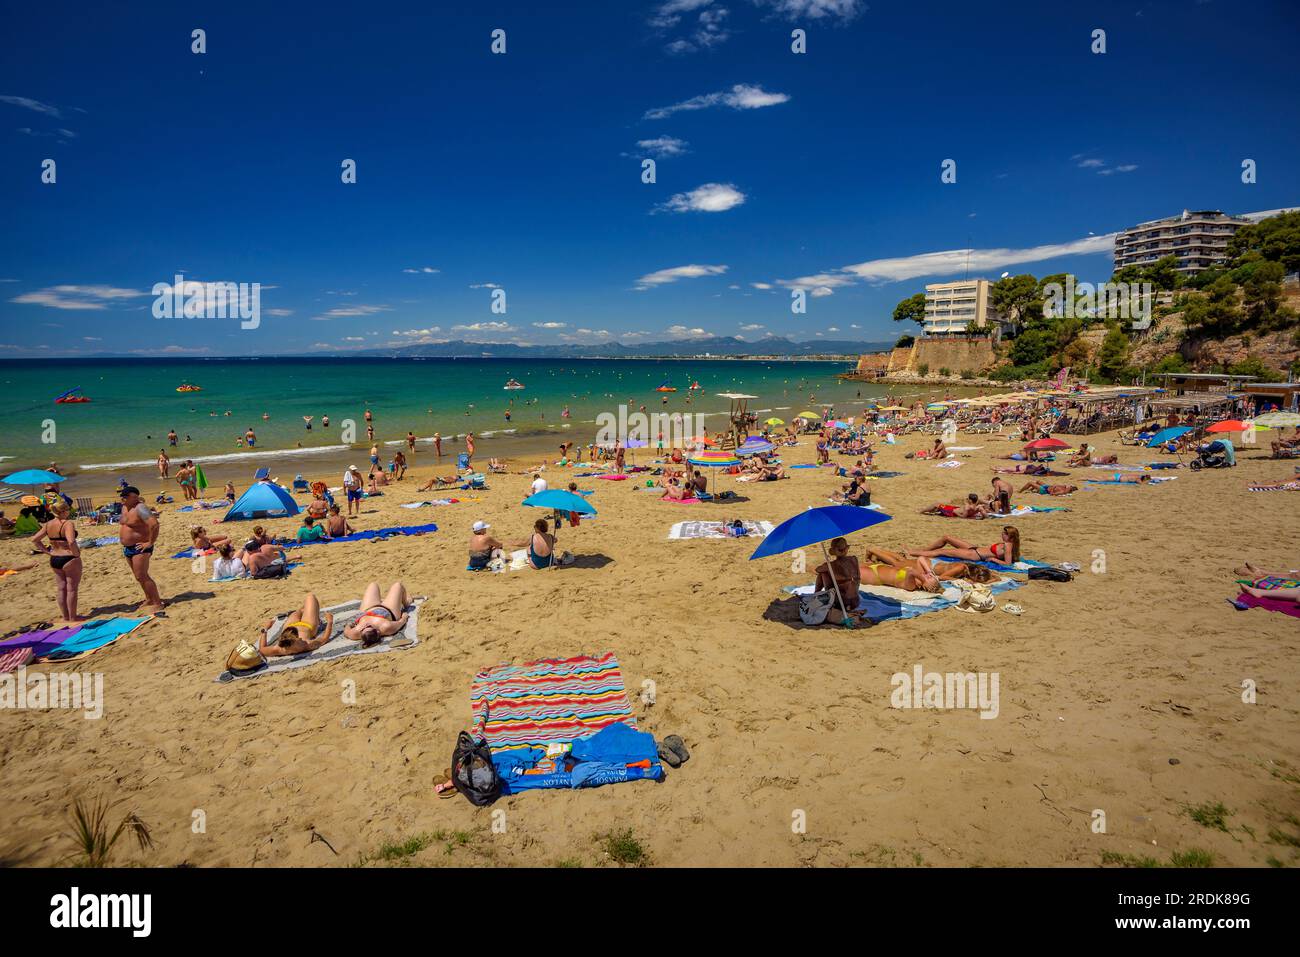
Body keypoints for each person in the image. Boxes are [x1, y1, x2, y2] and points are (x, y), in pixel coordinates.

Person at [32, 500, 83, 622]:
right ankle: (73, 617)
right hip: (68, 558)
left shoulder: (49, 524)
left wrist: (46, 551)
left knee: (61, 588)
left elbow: (35, 539)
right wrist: (76, 554)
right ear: (64, 511)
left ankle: (65, 617)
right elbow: (71, 541)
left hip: (54, 558)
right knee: (72, 589)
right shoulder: (68, 523)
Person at [118, 486, 164, 611]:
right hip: (128, 548)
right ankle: (149, 599)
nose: (136, 499)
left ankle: (157, 602)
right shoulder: (124, 508)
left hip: (140, 547)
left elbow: (154, 524)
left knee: (142, 575)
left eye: (136, 496)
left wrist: (150, 542)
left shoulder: (140, 508)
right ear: (124, 498)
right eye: (132, 497)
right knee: (138, 577)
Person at [257, 595, 335, 657]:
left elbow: (262, 649)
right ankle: (313, 616)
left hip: (290, 625)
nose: (301, 638)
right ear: (292, 644)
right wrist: (330, 622)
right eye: (298, 639)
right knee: (311, 597)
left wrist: (265, 628)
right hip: (308, 624)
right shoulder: (306, 645)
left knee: (298, 612)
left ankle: (302, 610)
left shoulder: (278, 649)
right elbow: (324, 638)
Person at [905, 526, 1021, 565]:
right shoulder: (1008, 544)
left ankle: (911, 552)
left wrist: (993, 560)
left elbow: (1008, 564)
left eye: (1005, 533)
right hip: (974, 548)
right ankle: (922, 550)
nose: (1002, 534)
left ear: (1010, 536)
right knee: (947, 537)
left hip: (975, 555)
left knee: (942, 551)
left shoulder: (1008, 546)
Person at [813, 537, 865, 624]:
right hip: (855, 602)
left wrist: (827, 564)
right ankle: (816, 594)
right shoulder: (854, 559)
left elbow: (817, 570)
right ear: (846, 549)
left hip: (840, 604)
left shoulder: (830, 565)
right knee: (828, 572)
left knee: (823, 573)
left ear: (834, 552)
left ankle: (815, 594)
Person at [343, 582, 410, 645]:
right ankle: (407, 602)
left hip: (368, 608)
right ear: (378, 631)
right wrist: (404, 616)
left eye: (363, 628)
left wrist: (350, 625)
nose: (366, 625)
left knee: (373, 585)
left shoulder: (355, 633)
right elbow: (401, 622)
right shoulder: (386, 627)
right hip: (389, 609)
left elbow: (346, 631)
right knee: (398, 585)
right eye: (369, 626)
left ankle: (382, 600)